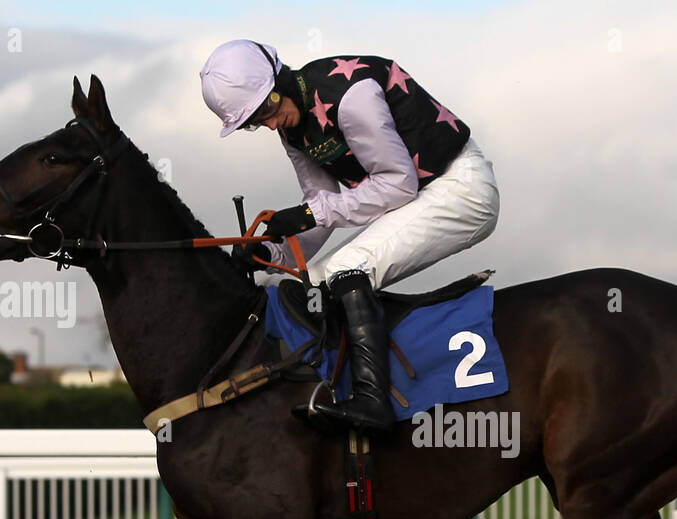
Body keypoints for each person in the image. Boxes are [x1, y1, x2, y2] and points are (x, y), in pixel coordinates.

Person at [200, 39, 500, 435]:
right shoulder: (291, 126)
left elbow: (396, 186)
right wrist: (271, 251)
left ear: (280, 79)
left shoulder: (351, 98)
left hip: (461, 188)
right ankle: (341, 393)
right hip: (421, 193)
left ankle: (374, 403)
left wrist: (307, 213)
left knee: (344, 268)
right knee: (314, 281)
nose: (271, 124)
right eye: (255, 121)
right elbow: (321, 207)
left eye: (267, 109)